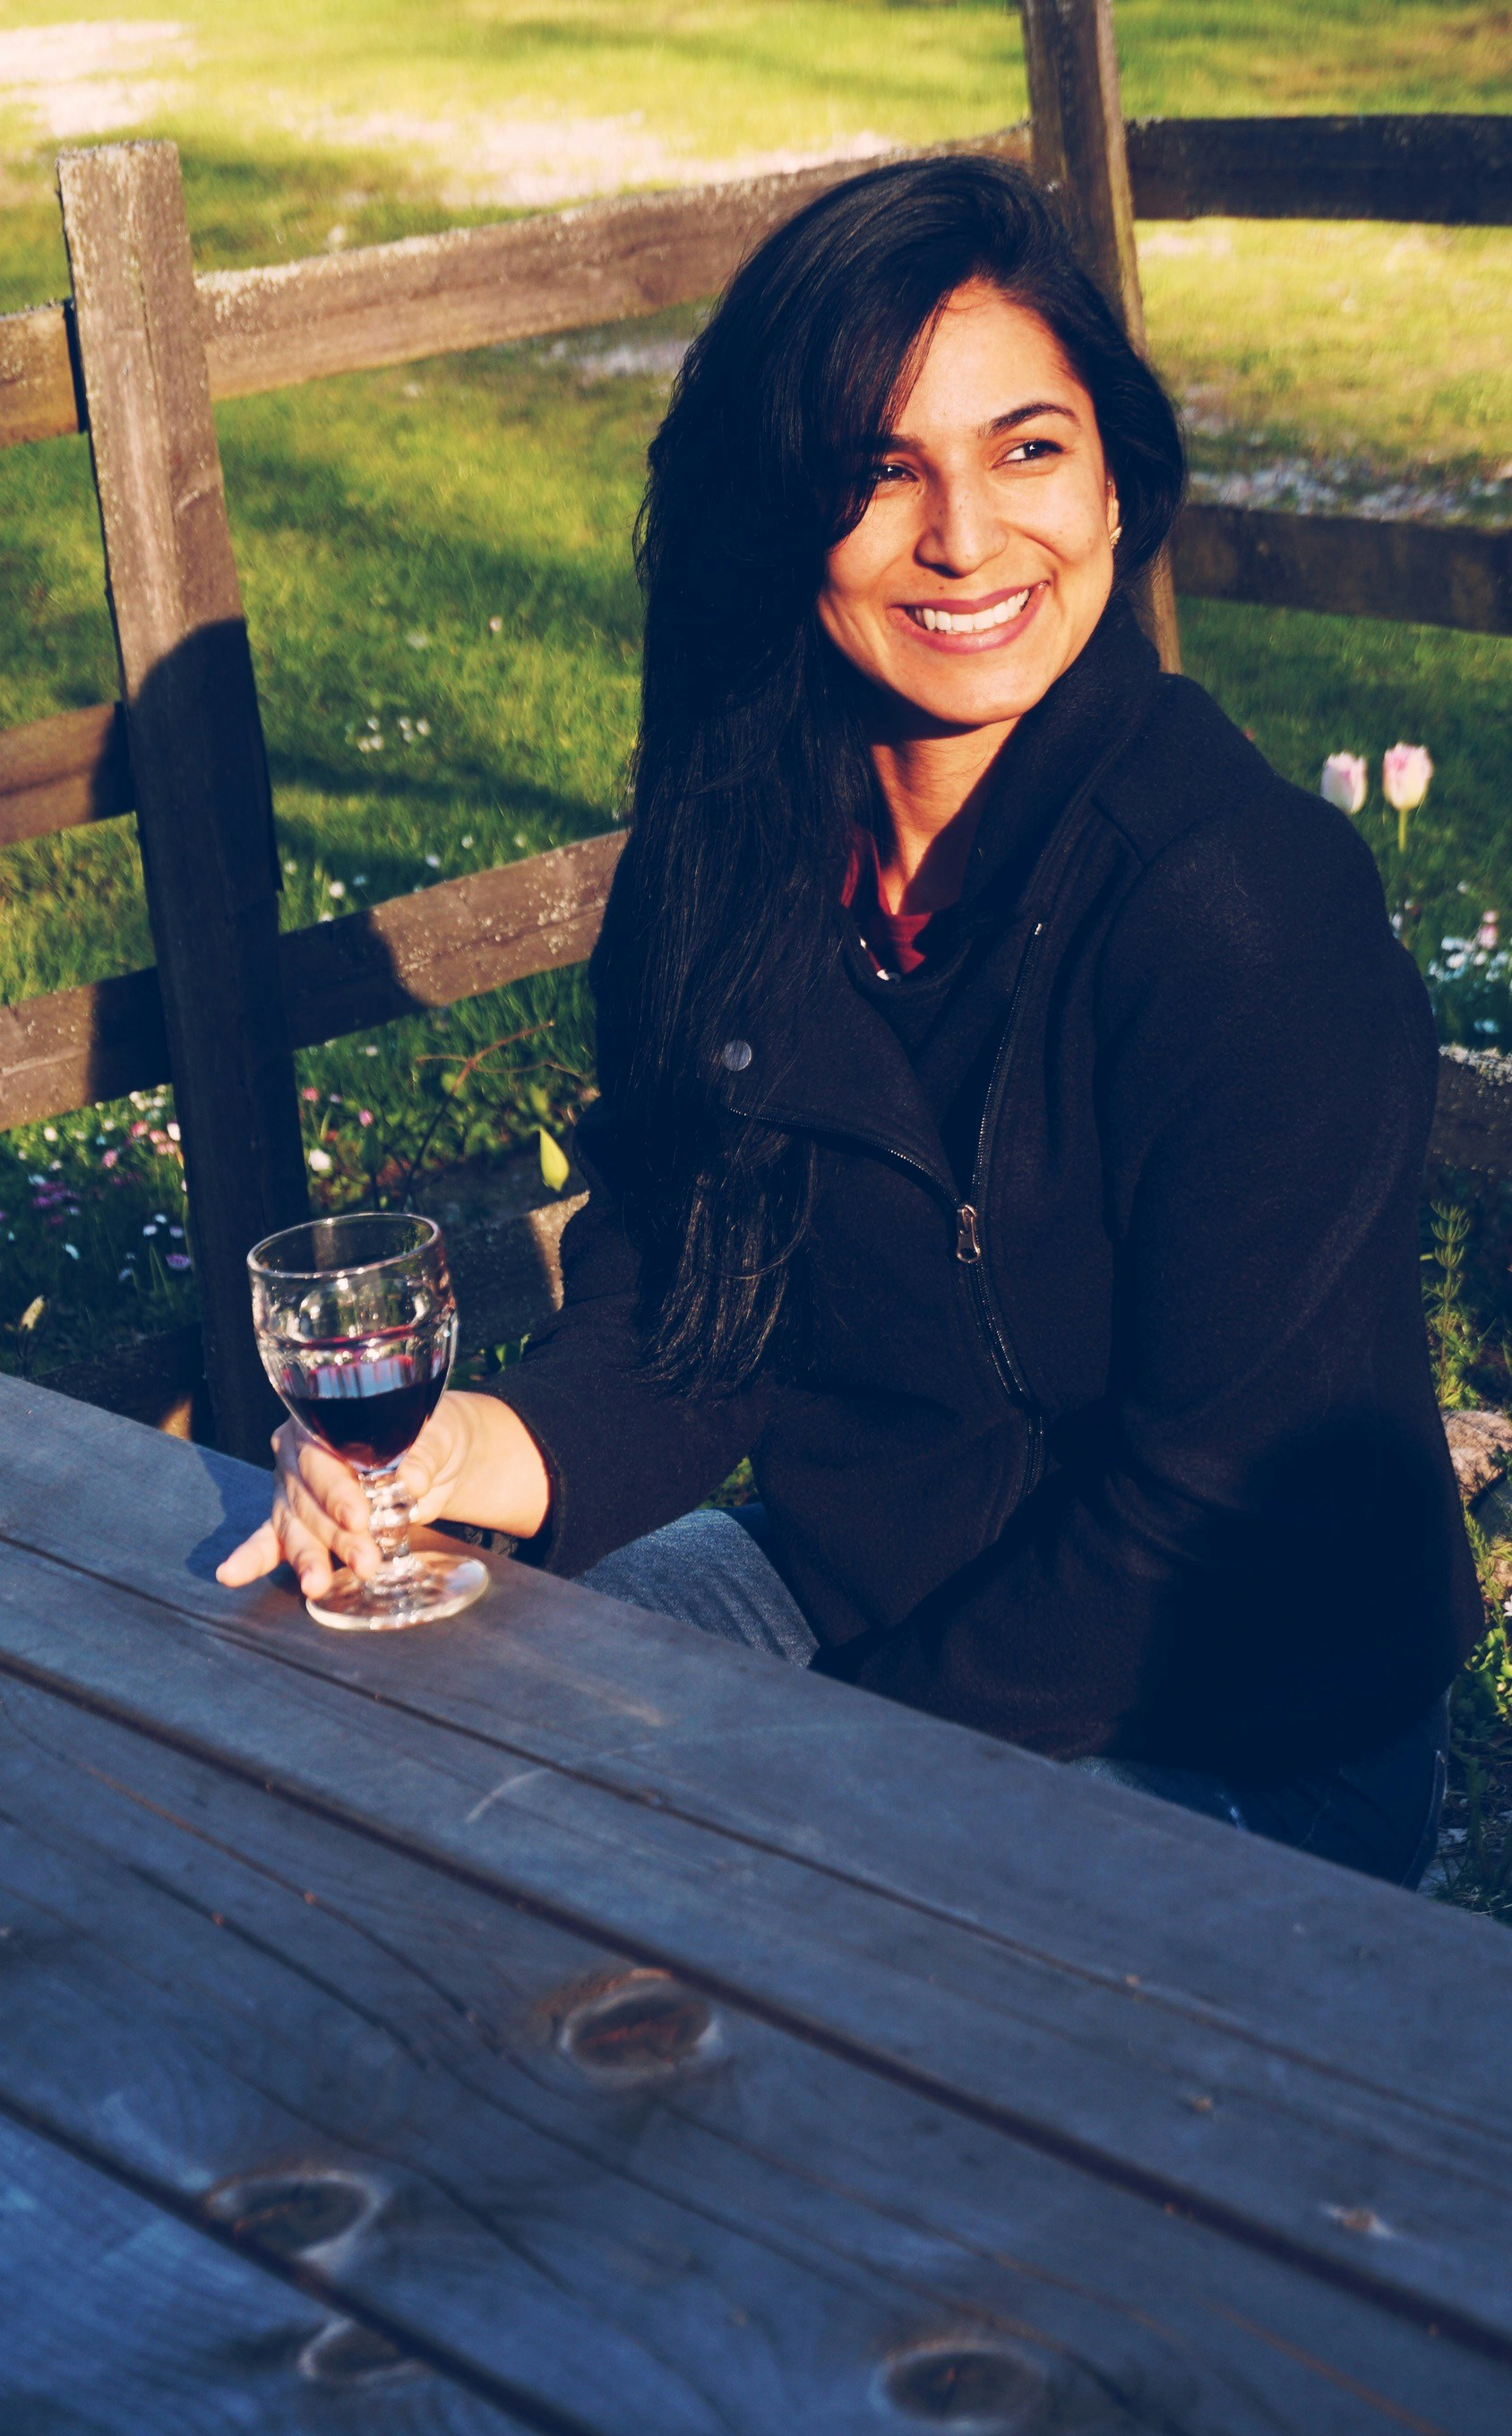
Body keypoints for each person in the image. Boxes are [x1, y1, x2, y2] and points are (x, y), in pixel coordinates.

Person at [220, 156, 1480, 1887]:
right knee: (402, 1751)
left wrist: (798, 1773)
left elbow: (1209, 1522)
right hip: (851, 1604)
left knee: (740, 1928)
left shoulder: (1242, 907)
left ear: (1121, 486)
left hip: (1233, 1721)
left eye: (1026, 449)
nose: (965, 538)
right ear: (777, 515)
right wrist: (465, 1452)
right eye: (883, 474)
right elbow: (690, 1301)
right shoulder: (737, 856)